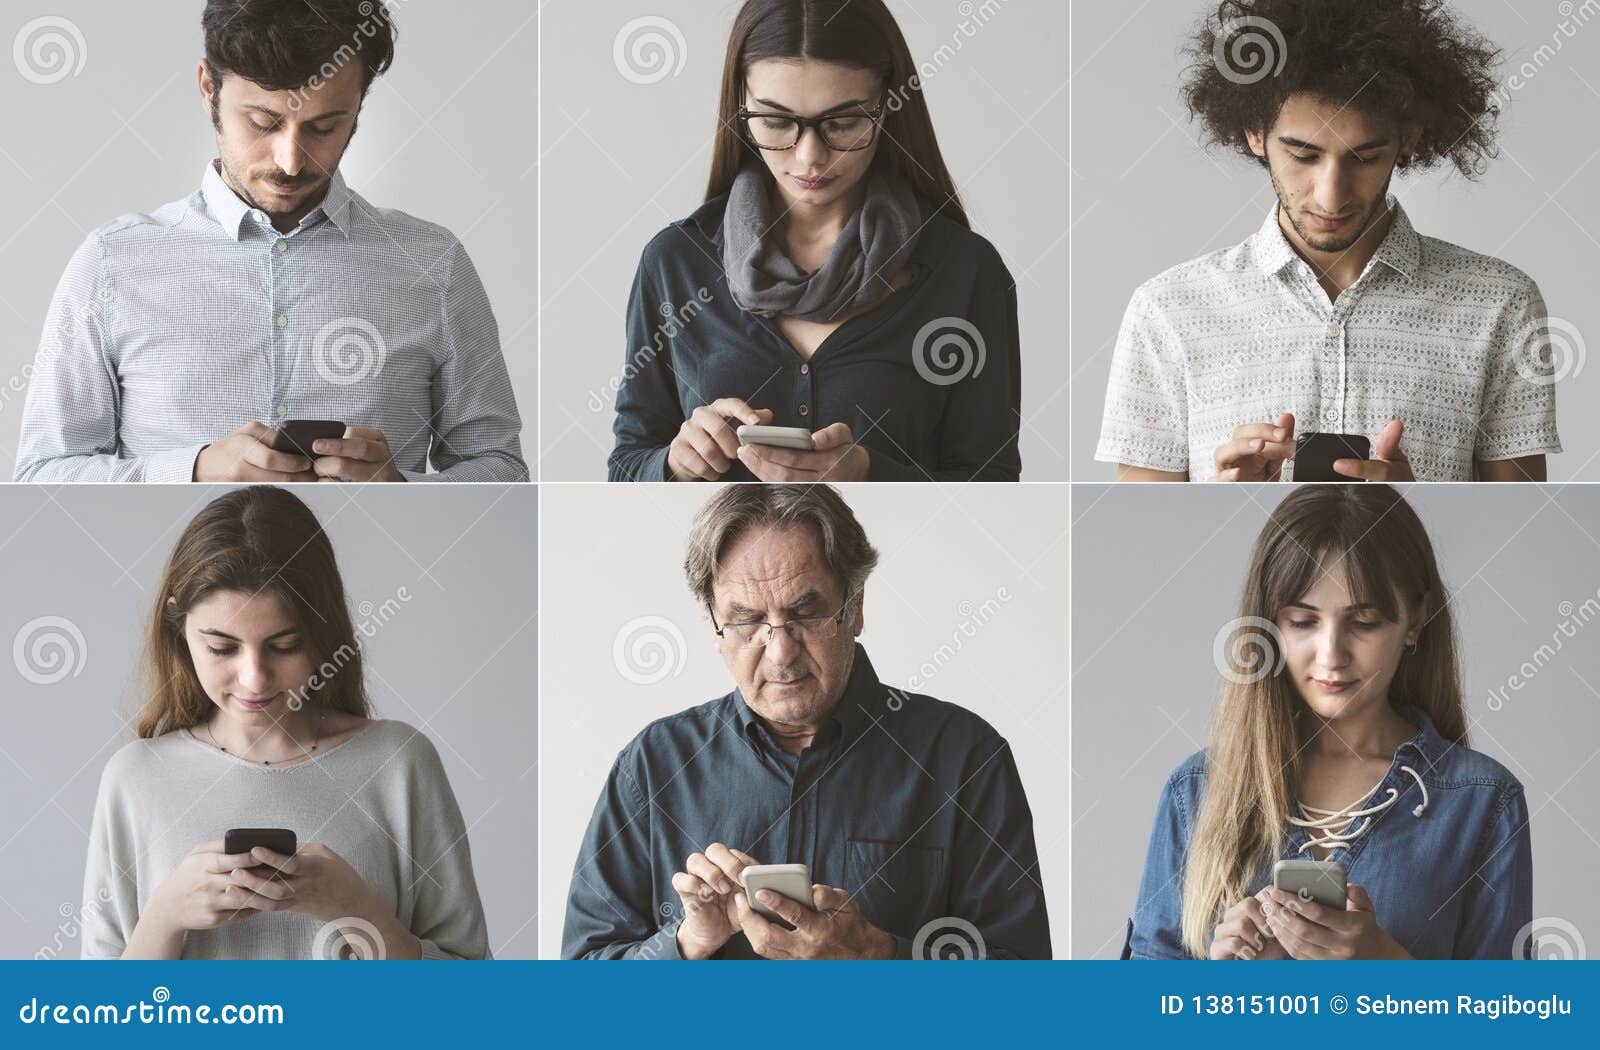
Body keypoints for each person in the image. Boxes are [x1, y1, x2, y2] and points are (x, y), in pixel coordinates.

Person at [16, 0, 526, 483]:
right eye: (263, 122)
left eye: (324, 126)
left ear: (358, 107)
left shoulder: (434, 264)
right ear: (207, 88)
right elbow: (42, 477)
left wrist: (402, 488)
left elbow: (501, 469)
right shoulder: (111, 263)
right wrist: (190, 470)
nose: (290, 160)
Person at [563, 485, 1049, 958]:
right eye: (747, 620)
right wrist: (687, 942)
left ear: (855, 607)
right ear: (714, 624)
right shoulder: (652, 765)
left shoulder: (965, 757)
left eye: (805, 612)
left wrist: (878, 958)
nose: (780, 652)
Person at [1097, 0, 1561, 483]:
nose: (1331, 194)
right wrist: (1222, 508)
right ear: (1256, 133)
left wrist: (1419, 505)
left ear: (1409, 139)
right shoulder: (1167, 311)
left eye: (1364, 157)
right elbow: (1156, 541)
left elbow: (1518, 521)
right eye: (1302, 155)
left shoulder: (1501, 303)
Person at [609, 0, 1021, 484]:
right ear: (739, 108)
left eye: (843, 123)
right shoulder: (675, 263)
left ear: (888, 107)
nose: (810, 157)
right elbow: (626, 466)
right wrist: (674, 464)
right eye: (777, 121)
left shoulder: (966, 272)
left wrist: (871, 476)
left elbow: (992, 483)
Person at [81, 487, 490, 959]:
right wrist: (166, 917)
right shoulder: (135, 777)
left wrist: (353, 908)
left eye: (284, 644)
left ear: (322, 633)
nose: (254, 679)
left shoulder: (399, 763)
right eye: (222, 647)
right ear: (179, 628)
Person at [1127, 485, 1532, 959]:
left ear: (1416, 621)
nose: (1331, 656)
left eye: (1363, 622)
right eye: (1302, 621)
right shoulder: (1196, 790)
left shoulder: (1483, 802)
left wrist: (1390, 971)